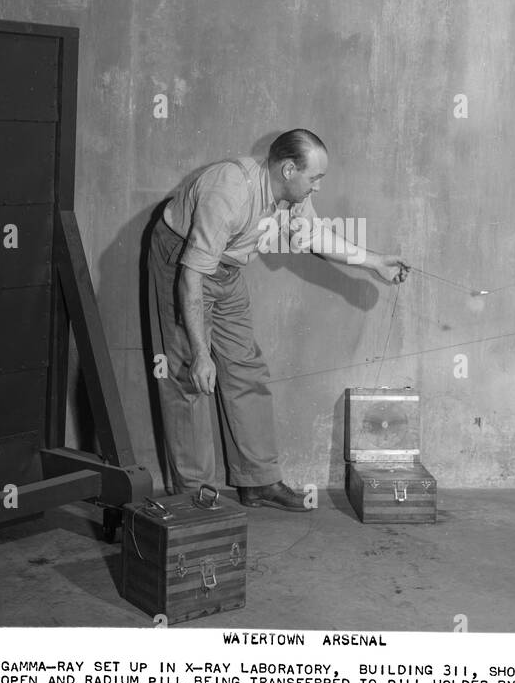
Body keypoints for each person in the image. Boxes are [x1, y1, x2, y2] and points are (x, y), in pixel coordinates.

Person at [149, 129, 409, 510]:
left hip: (227, 267)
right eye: (315, 178)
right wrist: (201, 353)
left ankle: (257, 481)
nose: (317, 187)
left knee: (245, 368)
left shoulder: (289, 195)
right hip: (183, 261)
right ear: (289, 169)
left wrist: (374, 262)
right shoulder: (231, 192)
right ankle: (194, 496)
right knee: (191, 373)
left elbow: (315, 235)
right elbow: (192, 275)